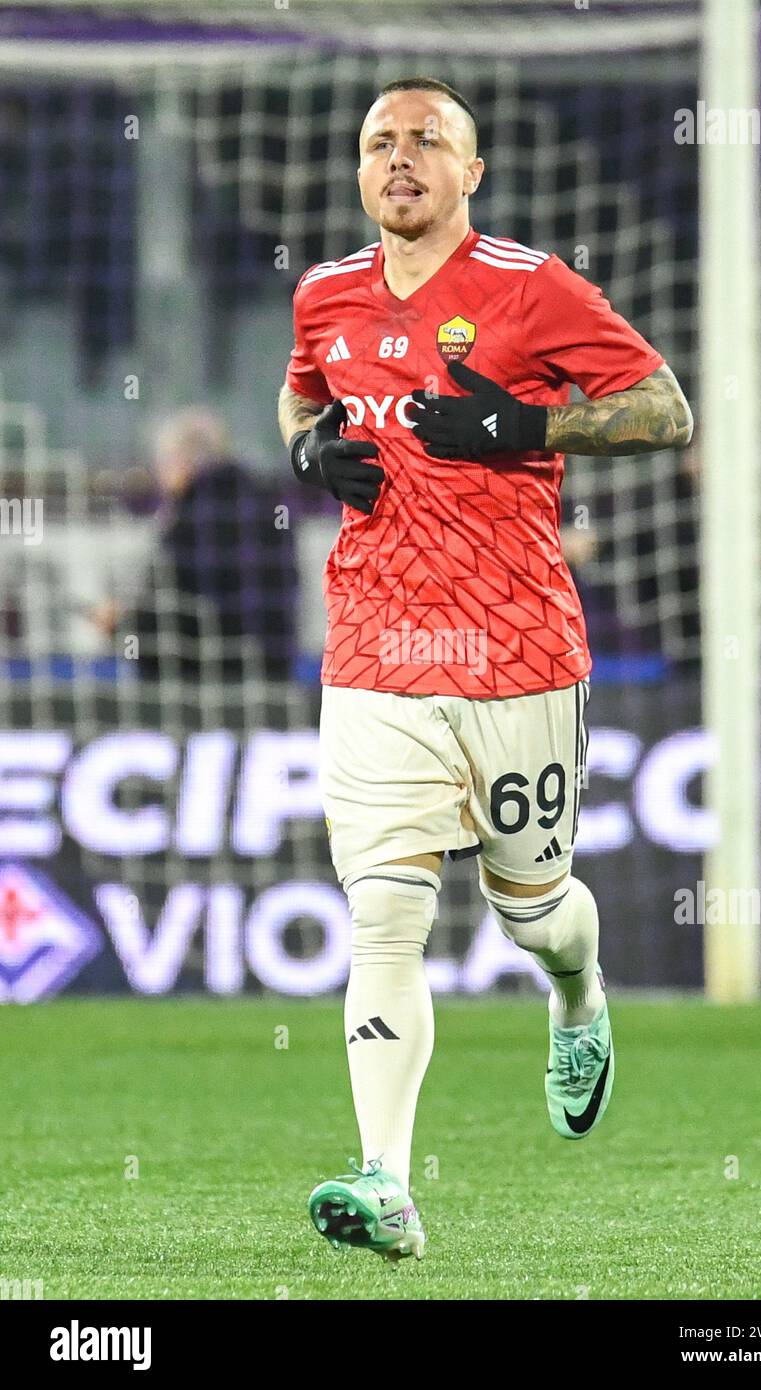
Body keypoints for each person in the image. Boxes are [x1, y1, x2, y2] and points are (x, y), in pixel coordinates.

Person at [278, 77, 693, 1262]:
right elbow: (299, 394)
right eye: (378, 142)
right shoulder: (325, 295)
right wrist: (309, 452)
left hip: (515, 651)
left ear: (472, 172)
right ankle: (388, 1186)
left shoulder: (532, 288)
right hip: (372, 652)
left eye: (426, 141)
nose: (398, 157)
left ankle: (577, 997)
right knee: (385, 916)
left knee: (533, 914)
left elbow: (662, 410)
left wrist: (525, 428)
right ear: (359, 172)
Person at [92, 410, 297, 682]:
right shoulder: (273, 512)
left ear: (180, 462)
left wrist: (120, 626)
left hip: (203, 698)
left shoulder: (185, 525)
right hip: (272, 688)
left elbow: (172, 631)